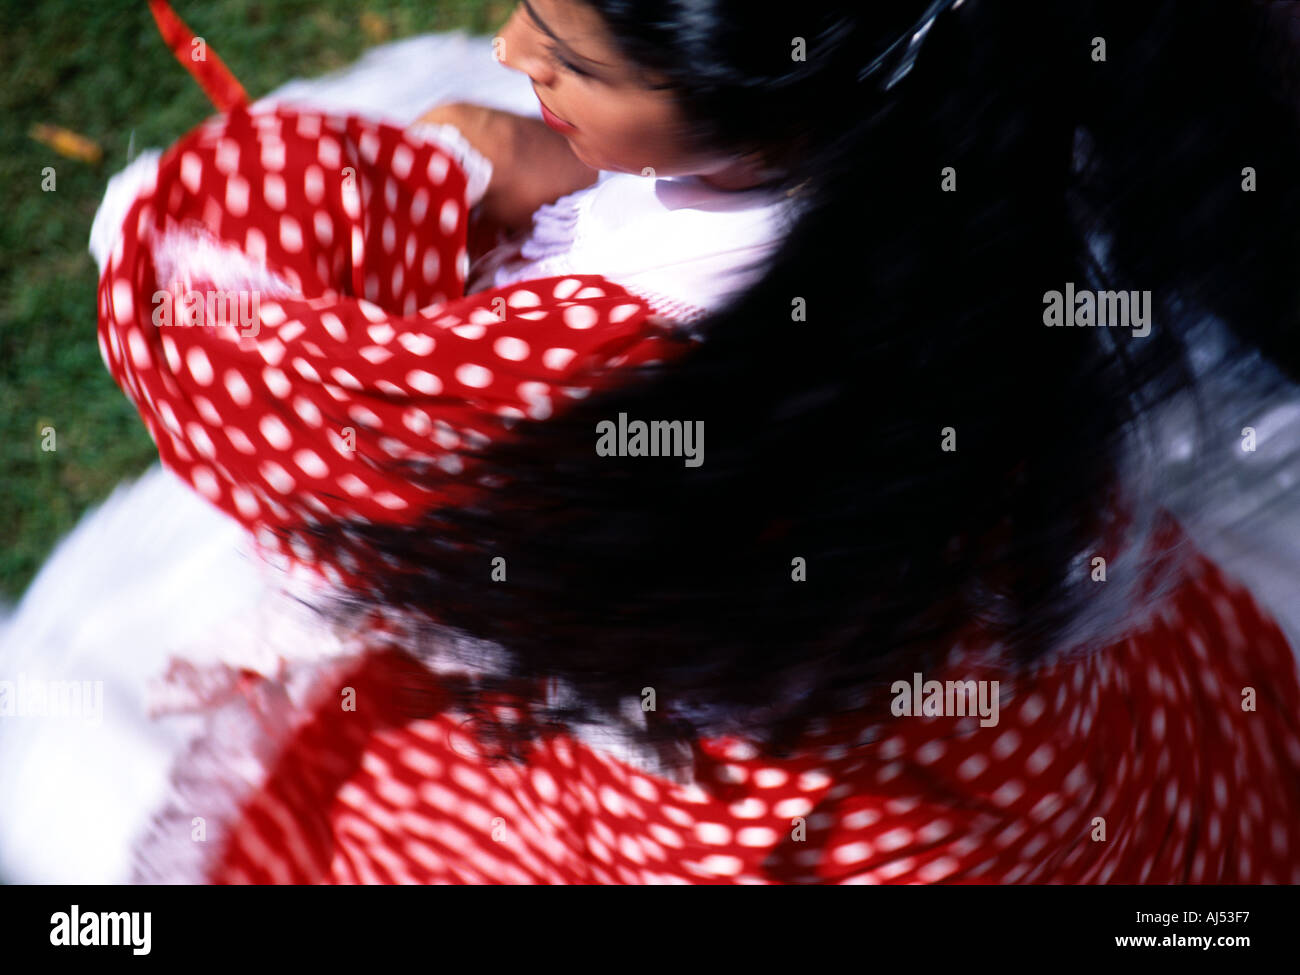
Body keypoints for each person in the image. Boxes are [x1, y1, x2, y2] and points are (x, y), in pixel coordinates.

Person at [6, 0, 1300, 884]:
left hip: (753, 801)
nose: (513, 48)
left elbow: (195, 313)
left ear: (753, 94)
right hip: (1002, 736)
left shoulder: (586, 367)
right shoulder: (984, 171)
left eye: (575, 54)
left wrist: (436, 185)